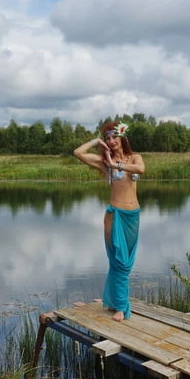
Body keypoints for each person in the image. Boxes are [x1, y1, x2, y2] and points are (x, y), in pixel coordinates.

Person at [72, 121, 145, 321]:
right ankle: (121, 307)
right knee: (120, 261)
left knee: (123, 263)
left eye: (114, 137)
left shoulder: (134, 158)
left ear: (122, 137)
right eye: (107, 139)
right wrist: (96, 141)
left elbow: (141, 169)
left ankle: (112, 301)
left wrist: (117, 165)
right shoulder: (105, 163)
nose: (111, 142)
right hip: (115, 214)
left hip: (133, 215)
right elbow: (78, 153)